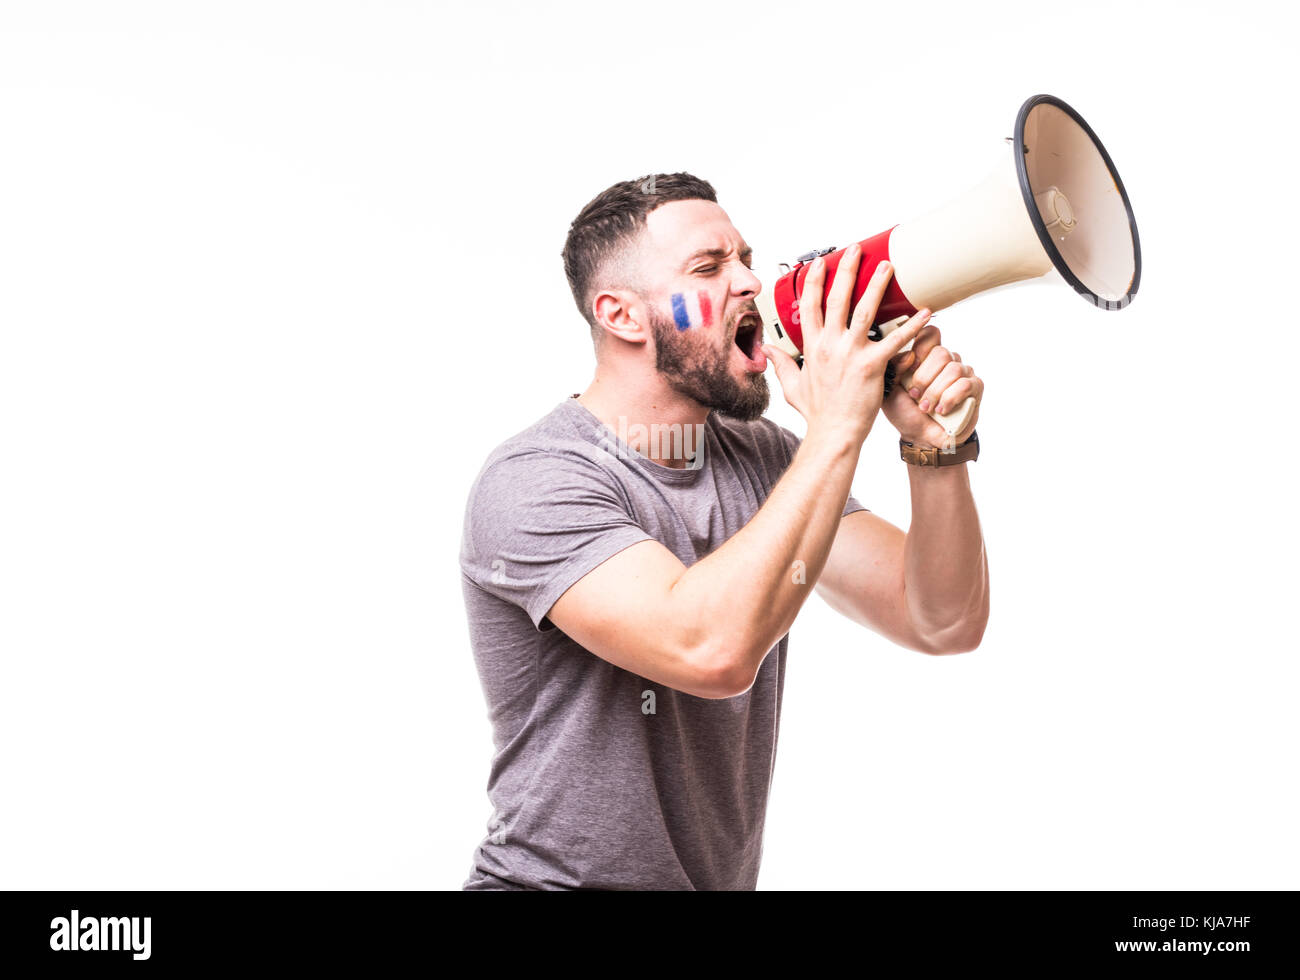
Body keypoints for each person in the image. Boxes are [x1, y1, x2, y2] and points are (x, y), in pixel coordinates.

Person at [459, 172, 989, 890]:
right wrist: (836, 427)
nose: (751, 282)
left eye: (746, 258)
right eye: (709, 268)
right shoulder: (537, 479)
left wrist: (935, 453)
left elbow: (940, 620)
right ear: (622, 316)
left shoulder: (764, 457)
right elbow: (711, 650)